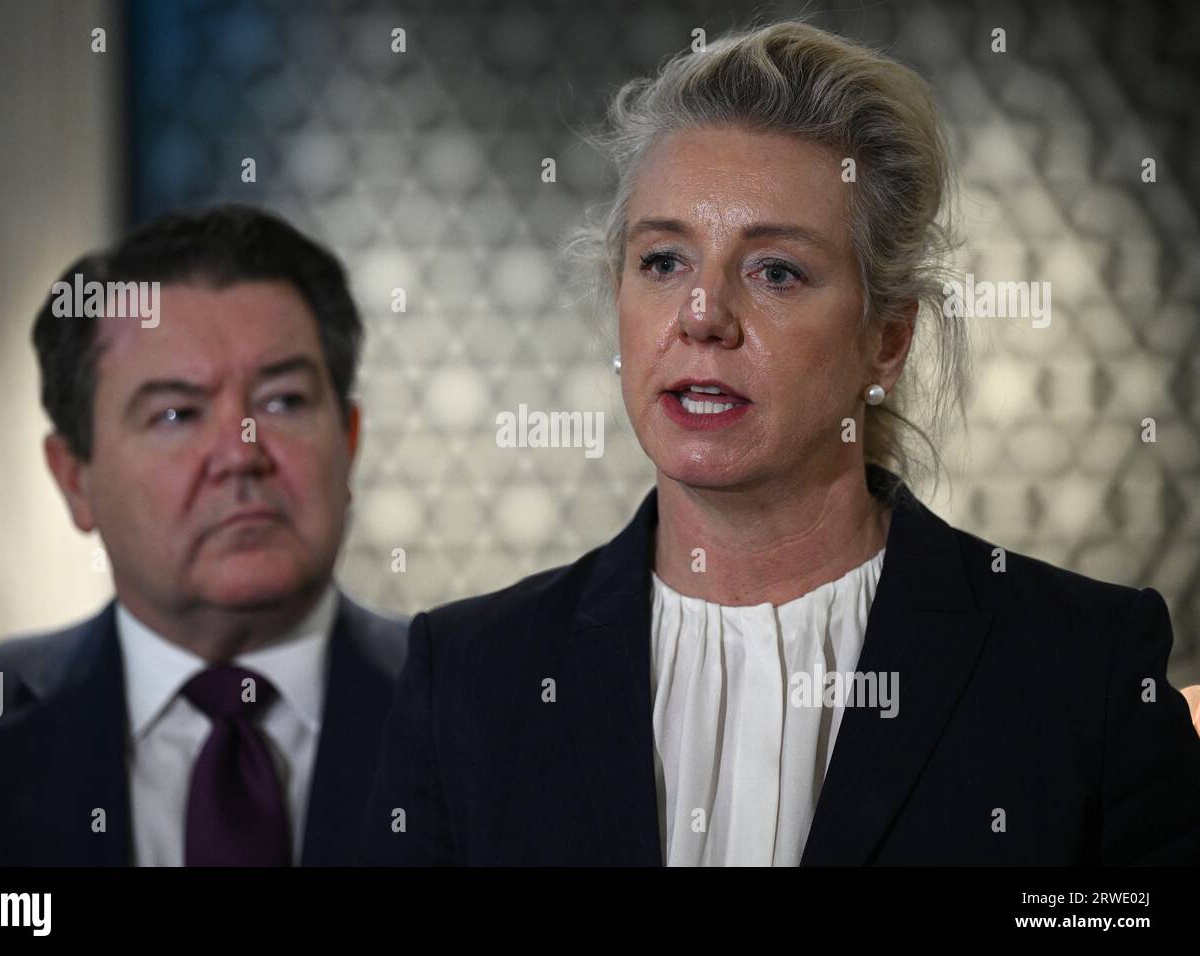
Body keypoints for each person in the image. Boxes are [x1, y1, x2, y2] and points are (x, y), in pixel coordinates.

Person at [359, 21, 1200, 865]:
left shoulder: (1085, 669)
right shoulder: (466, 677)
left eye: (776, 272)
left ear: (888, 340)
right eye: (662, 261)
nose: (702, 315)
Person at [0, 205, 406, 866]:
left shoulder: (479, 719)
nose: (240, 453)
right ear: (74, 478)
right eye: (175, 413)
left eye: (283, 401)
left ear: (349, 440)